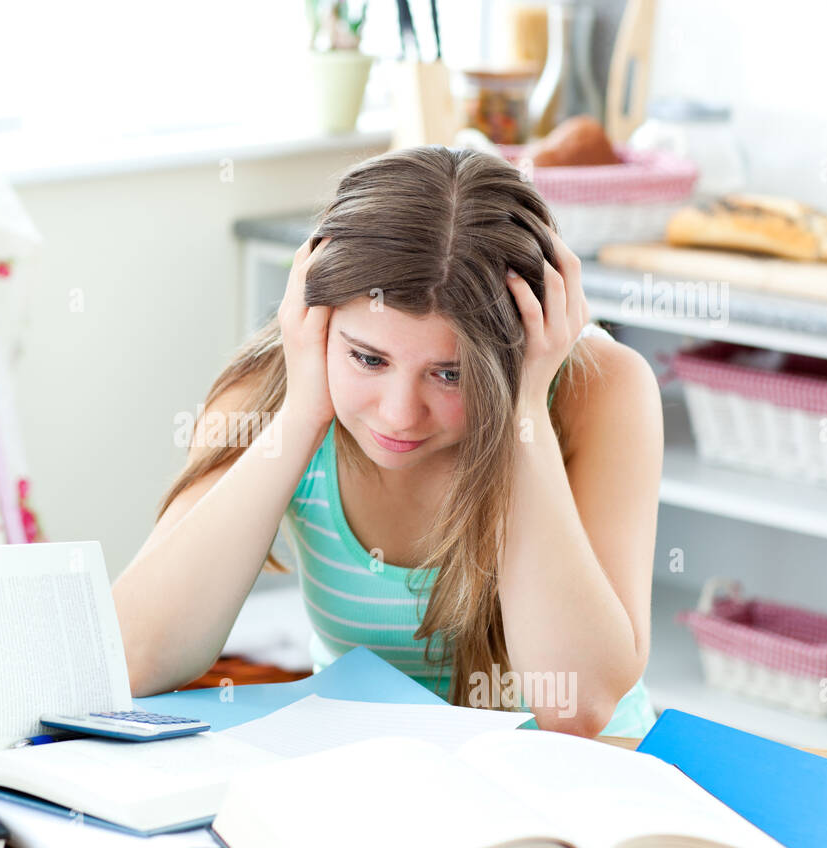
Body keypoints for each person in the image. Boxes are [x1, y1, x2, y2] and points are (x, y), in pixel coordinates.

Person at [113, 146, 662, 738]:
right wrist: (302, 415)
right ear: (313, 315)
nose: (400, 415)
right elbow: (132, 658)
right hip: (369, 779)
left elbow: (577, 709)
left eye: (450, 374)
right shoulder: (268, 392)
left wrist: (524, 410)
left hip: (575, 785)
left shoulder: (602, 389)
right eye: (368, 358)